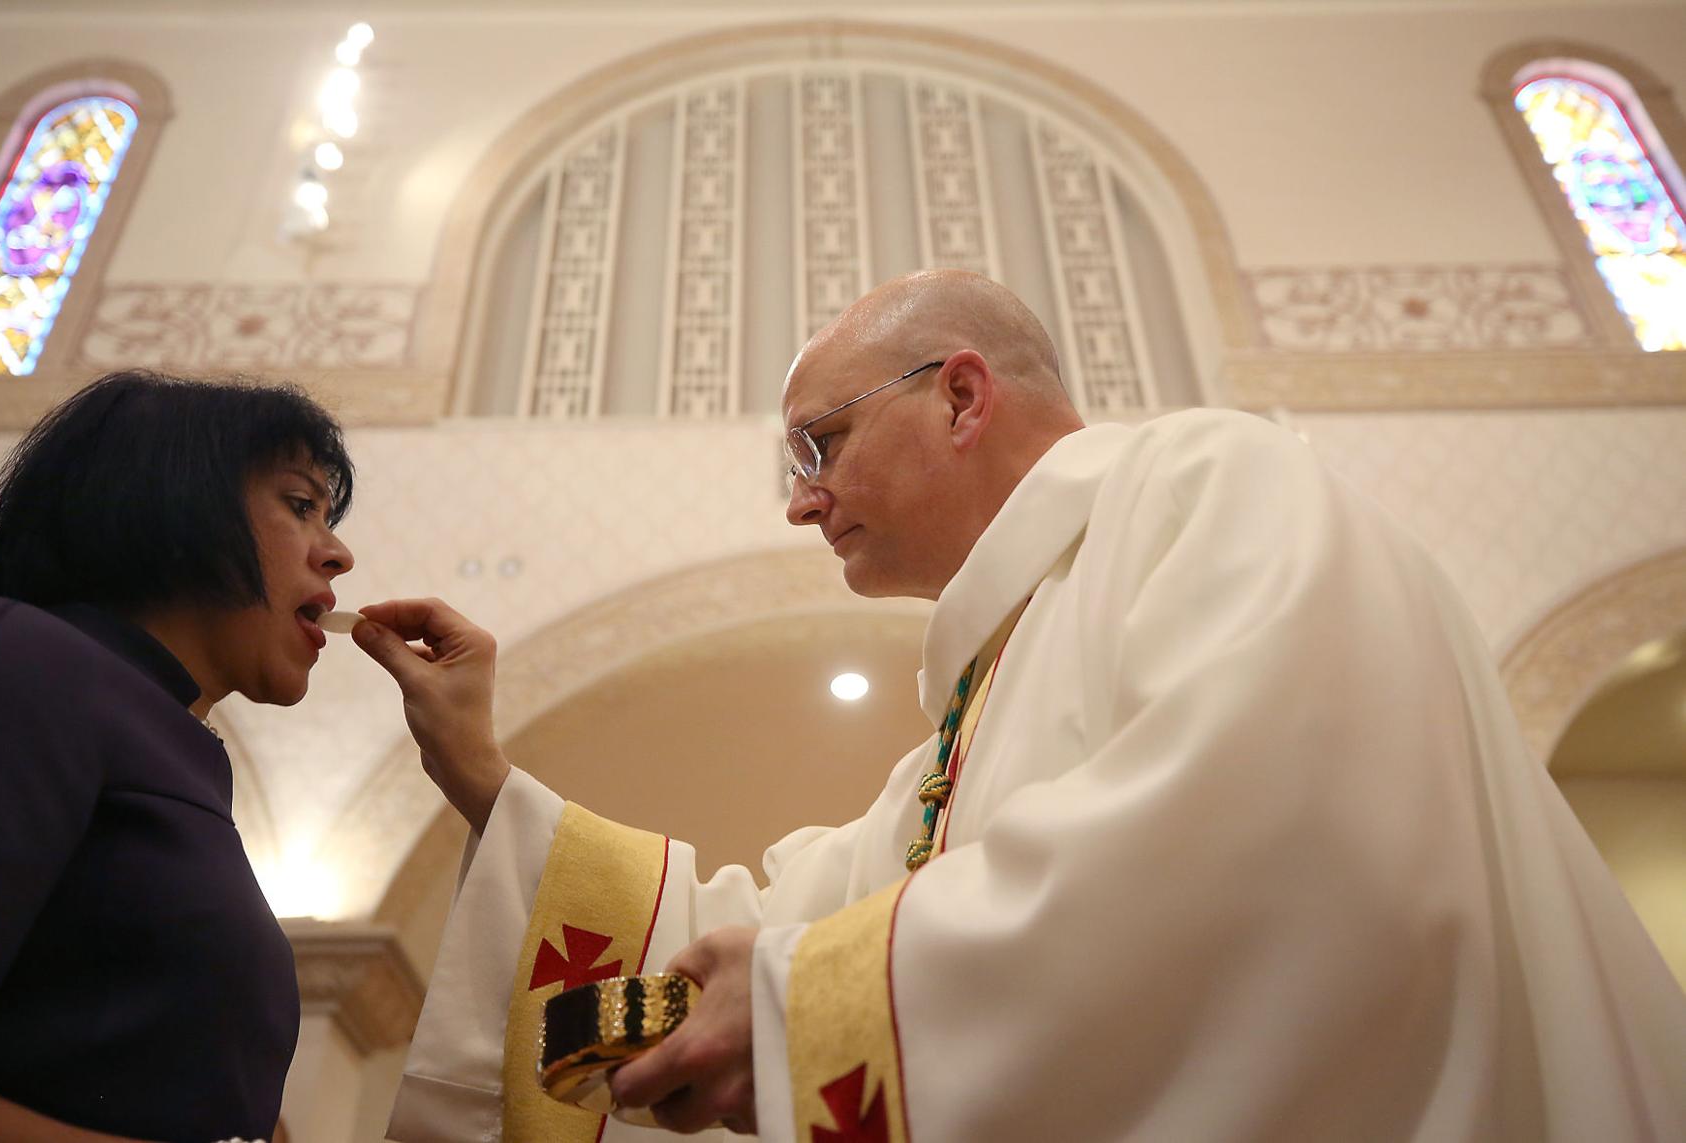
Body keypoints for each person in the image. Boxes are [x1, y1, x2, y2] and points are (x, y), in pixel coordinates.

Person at [364, 270, 1686, 1142]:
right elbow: (780, 929)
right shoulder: (968, 714)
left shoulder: (1207, 482)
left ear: (959, 391)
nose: (799, 497)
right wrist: (480, 770)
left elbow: (1271, 826)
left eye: (819, 441)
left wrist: (806, 995)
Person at [0, 370, 357, 1143]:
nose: (339, 554)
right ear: (176, 503)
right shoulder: (30, 659)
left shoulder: (175, 747)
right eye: (299, 505)